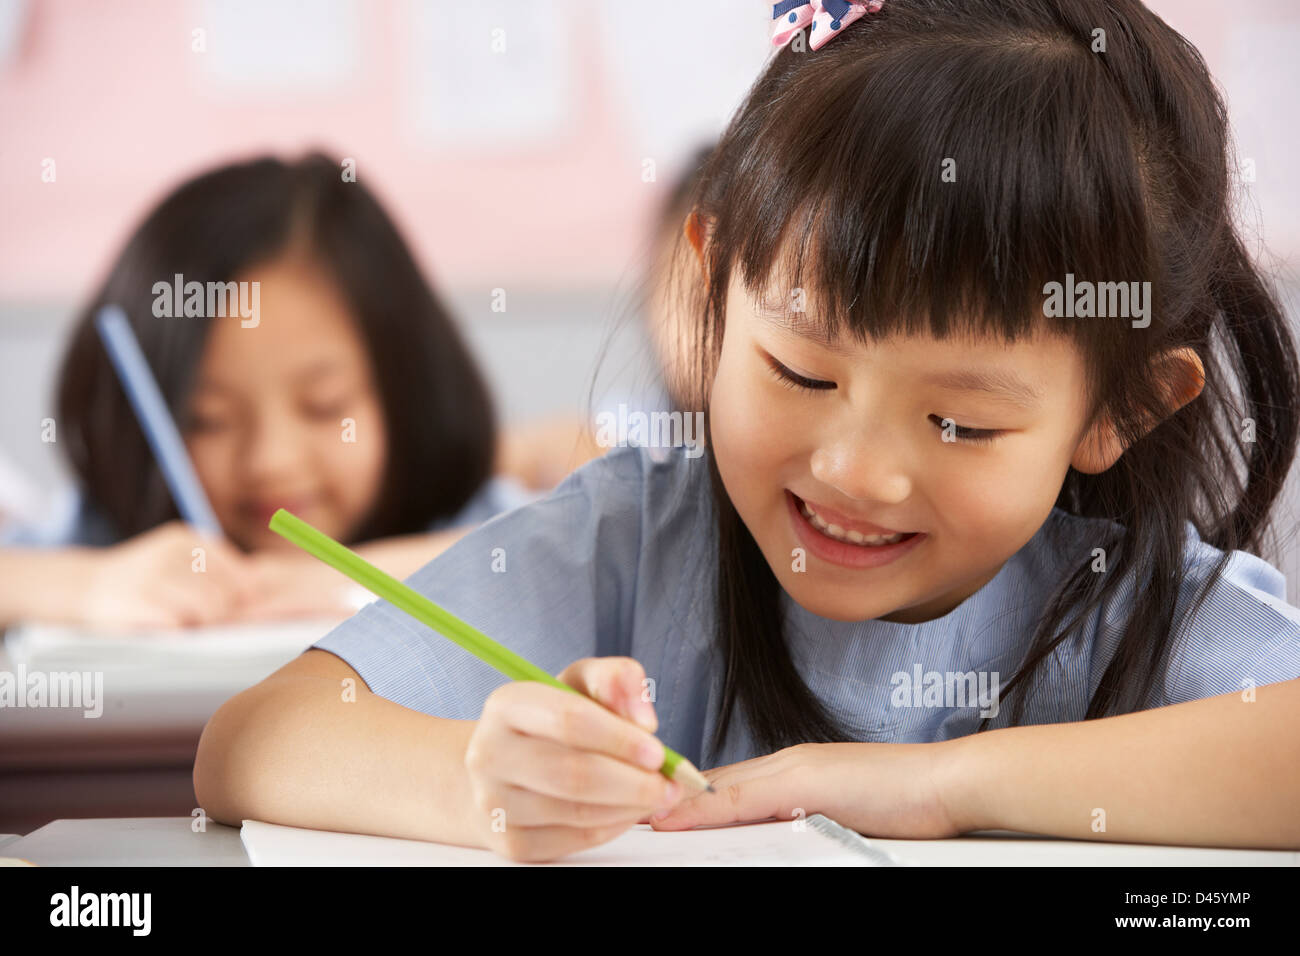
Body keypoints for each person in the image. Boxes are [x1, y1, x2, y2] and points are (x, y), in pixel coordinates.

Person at [195, 0, 1300, 862]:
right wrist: (482, 782)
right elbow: (251, 740)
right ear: (714, 276)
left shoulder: (1138, 605)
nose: (853, 469)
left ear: (1121, 410)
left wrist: (933, 786)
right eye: (798, 370)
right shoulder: (633, 541)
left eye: (958, 421)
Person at [0, 152, 538, 629]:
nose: (272, 462)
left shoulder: (472, 519)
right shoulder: (112, 544)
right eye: (207, 419)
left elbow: (543, 557)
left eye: (324, 407)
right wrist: (85, 586)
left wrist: (335, 579)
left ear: (409, 393)